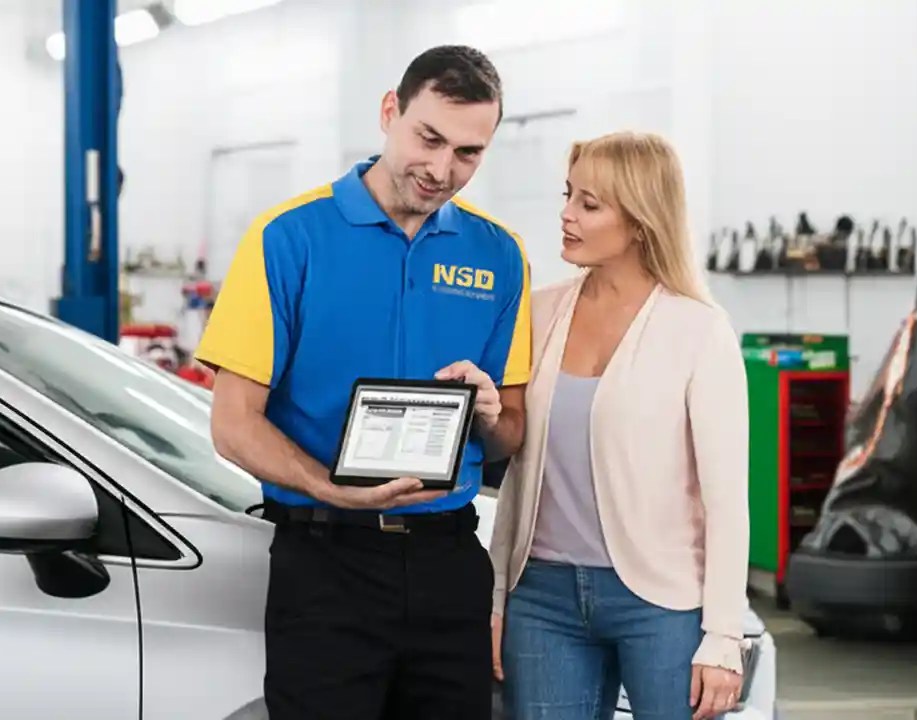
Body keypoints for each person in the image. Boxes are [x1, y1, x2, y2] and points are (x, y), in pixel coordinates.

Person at [195, 45, 531, 719]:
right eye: (429, 138)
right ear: (389, 112)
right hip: (326, 565)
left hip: (448, 563)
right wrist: (331, 488)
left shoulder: (500, 254)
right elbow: (232, 424)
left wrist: (492, 415)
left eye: (468, 153)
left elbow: (511, 435)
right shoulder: (288, 237)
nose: (441, 170)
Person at [488, 131, 750, 720]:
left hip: (661, 602)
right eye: (568, 195)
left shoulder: (699, 331)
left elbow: (727, 501)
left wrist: (723, 637)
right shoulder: (538, 311)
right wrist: (498, 596)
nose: (566, 214)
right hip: (543, 597)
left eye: (589, 204)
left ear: (639, 221)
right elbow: (518, 478)